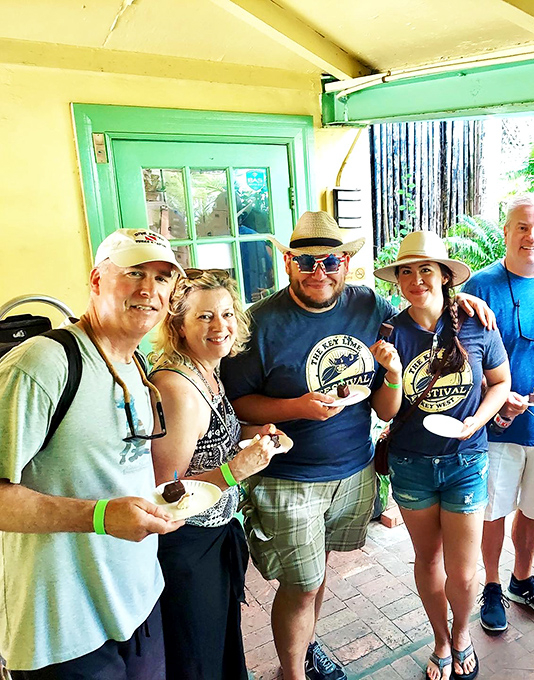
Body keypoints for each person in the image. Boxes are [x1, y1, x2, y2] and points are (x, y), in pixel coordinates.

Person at [221, 211, 494, 680]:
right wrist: (297, 407)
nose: (319, 272)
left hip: (353, 471)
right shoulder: (260, 324)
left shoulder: (369, 305)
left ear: (347, 262)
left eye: (330, 260)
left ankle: (307, 647)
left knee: (317, 572)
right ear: (288, 262)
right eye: (306, 262)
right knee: (301, 584)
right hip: (291, 475)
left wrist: (458, 298)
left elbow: (420, 303)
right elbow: (240, 403)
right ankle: (293, 672)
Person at [0, 229, 185, 678]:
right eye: (134, 273)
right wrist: (101, 517)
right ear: (97, 280)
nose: (149, 289)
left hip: (136, 598)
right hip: (63, 627)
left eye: (162, 279)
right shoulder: (41, 365)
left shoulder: (135, 363)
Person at [373, 232, 511, 680]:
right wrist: (393, 374)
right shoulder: (390, 331)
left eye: (426, 269)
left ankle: (462, 633)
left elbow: (501, 382)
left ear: (445, 276)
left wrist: (480, 419)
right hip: (411, 464)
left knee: (464, 570)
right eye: (406, 272)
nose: (416, 279)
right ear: (397, 281)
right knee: (427, 560)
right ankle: (439, 639)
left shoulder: (476, 323)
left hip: (467, 460)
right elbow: (385, 411)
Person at [149, 268, 286, 680]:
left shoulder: (207, 368)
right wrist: (233, 472)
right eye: (205, 317)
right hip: (186, 546)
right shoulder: (177, 386)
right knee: (197, 655)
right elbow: (164, 490)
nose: (220, 326)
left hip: (215, 534)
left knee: (219, 643)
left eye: (227, 314)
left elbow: (211, 436)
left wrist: (256, 433)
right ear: (179, 325)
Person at [462, 194, 534, 633]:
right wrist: (495, 401)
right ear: (507, 229)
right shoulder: (480, 285)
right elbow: (463, 359)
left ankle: (522, 579)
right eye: (523, 227)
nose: (533, 237)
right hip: (496, 424)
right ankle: (491, 585)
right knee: (493, 509)